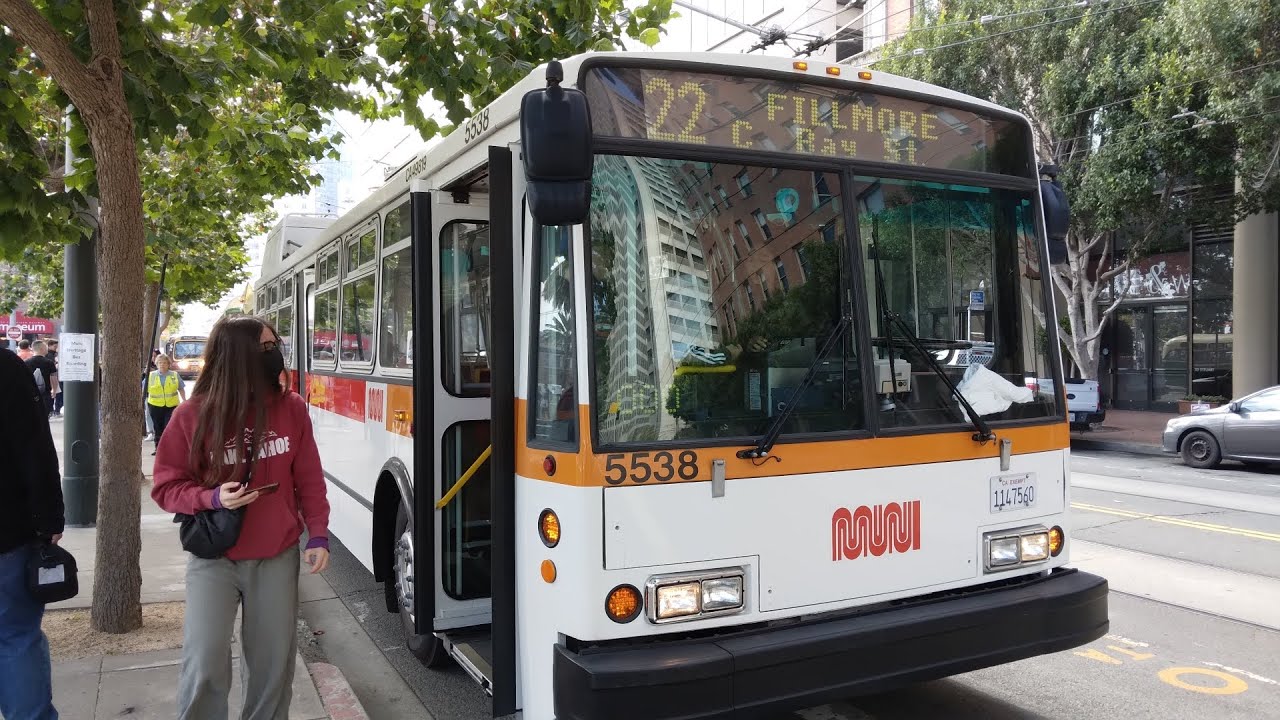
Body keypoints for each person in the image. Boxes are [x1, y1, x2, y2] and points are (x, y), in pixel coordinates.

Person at [151, 315, 330, 720]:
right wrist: (212, 497)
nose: (275, 354)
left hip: (276, 557)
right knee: (204, 664)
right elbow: (165, 488)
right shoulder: (192, 416)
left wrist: (318, 534)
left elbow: (309, 480)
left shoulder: (291, 409)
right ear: (239, 356)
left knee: (272, 670)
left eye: (274, 346)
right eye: (265, 348)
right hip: (215, 559)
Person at [0, 345, 65, 720]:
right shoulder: (7, 368)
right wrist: (49, 519)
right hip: (8, 533)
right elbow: (34, 448)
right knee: (15, 640)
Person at [145, 354, 187, 456]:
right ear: (156, 364)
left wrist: (184, 401)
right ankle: (158, 448)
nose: (162, 365)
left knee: (168, 427)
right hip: (155, 406)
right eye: (160, 363)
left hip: (171, 405)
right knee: (157, 427)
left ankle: (169, 449)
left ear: (168, 364)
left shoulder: (174, 375)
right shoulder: (151, 375)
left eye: (164, 363)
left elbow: (181, 388)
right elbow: (143, 389)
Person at [25, 341, 59, 418]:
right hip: (46, 394)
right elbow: (54, 378)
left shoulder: (26, 362)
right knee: (45, 415)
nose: (47, 349)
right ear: (42, 348)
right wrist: (54, 390)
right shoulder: (49, 362)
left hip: (31, 394)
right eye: (46, 347)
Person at [47, 340, 63, 416]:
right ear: (49, 345)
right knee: (55, 394)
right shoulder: (49, 355)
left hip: (57, 376)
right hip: (54, 376)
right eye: (55, 346)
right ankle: (55, 410)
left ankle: (55, 410)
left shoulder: (55, 354)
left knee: (57, 394)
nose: (56, 348)